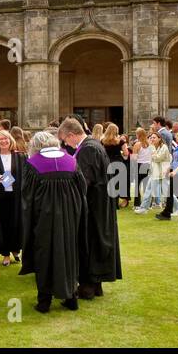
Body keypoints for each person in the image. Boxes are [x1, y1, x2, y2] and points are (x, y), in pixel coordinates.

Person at [18, 130, 85, 313]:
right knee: (69, 252)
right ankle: (71, 298)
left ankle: (44, 302)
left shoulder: (33, 164)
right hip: (69, 219)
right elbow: (81, 191)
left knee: (44, 254)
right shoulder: (71, 161)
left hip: (44, 220)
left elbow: (27, 198)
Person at [59, 117, 120, 299]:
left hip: (94, 206)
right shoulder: (92, 146)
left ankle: (88, 287)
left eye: (65, 139)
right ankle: (95, 286)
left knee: (90, 243)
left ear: (71, 135)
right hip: (98, 204)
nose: (65, 143)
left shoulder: (88, 149)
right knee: (95, 242)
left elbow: (84, 182)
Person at [0, 129, 23, 266]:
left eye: (6, 139)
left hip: (16, 196)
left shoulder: (20, 157)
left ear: (10, 140)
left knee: (16, 223)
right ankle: (6, 254)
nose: (3, 141)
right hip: (0, 196)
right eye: (0, 139)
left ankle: (15, 250)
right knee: (3, 224)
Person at [135, 130, 173, 214]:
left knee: (167, 192)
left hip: (162, 173)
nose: (152, 139)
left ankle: (177, 208)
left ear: (159, 139)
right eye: (151, 137)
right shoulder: (154, 147)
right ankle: (143, 208)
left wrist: (151, 148)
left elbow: (157, 158)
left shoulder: (164, 147)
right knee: (148, 190)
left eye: (154, 137)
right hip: (154, 172)